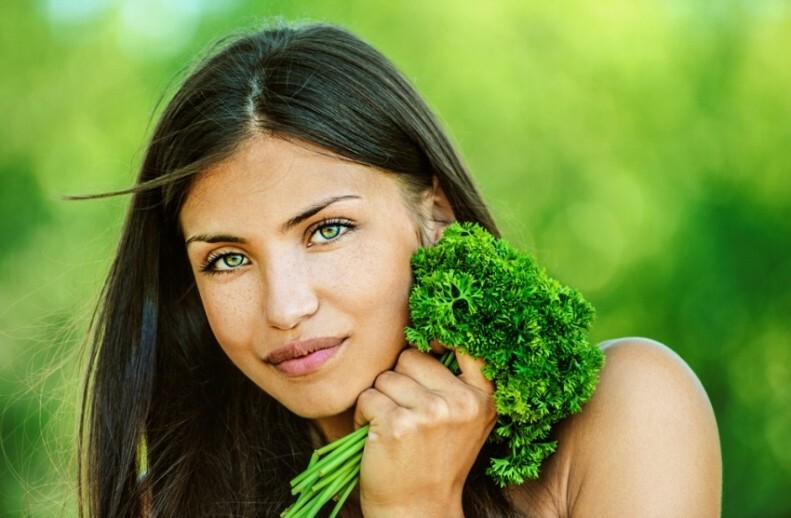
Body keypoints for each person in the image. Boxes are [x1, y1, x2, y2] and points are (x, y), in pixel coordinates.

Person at [78, 22, 722, 517]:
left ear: (435, 214)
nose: (285, 306)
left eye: (327, 230)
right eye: (228, 259)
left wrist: (414, 507)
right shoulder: (166, 505)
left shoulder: (626, 416)